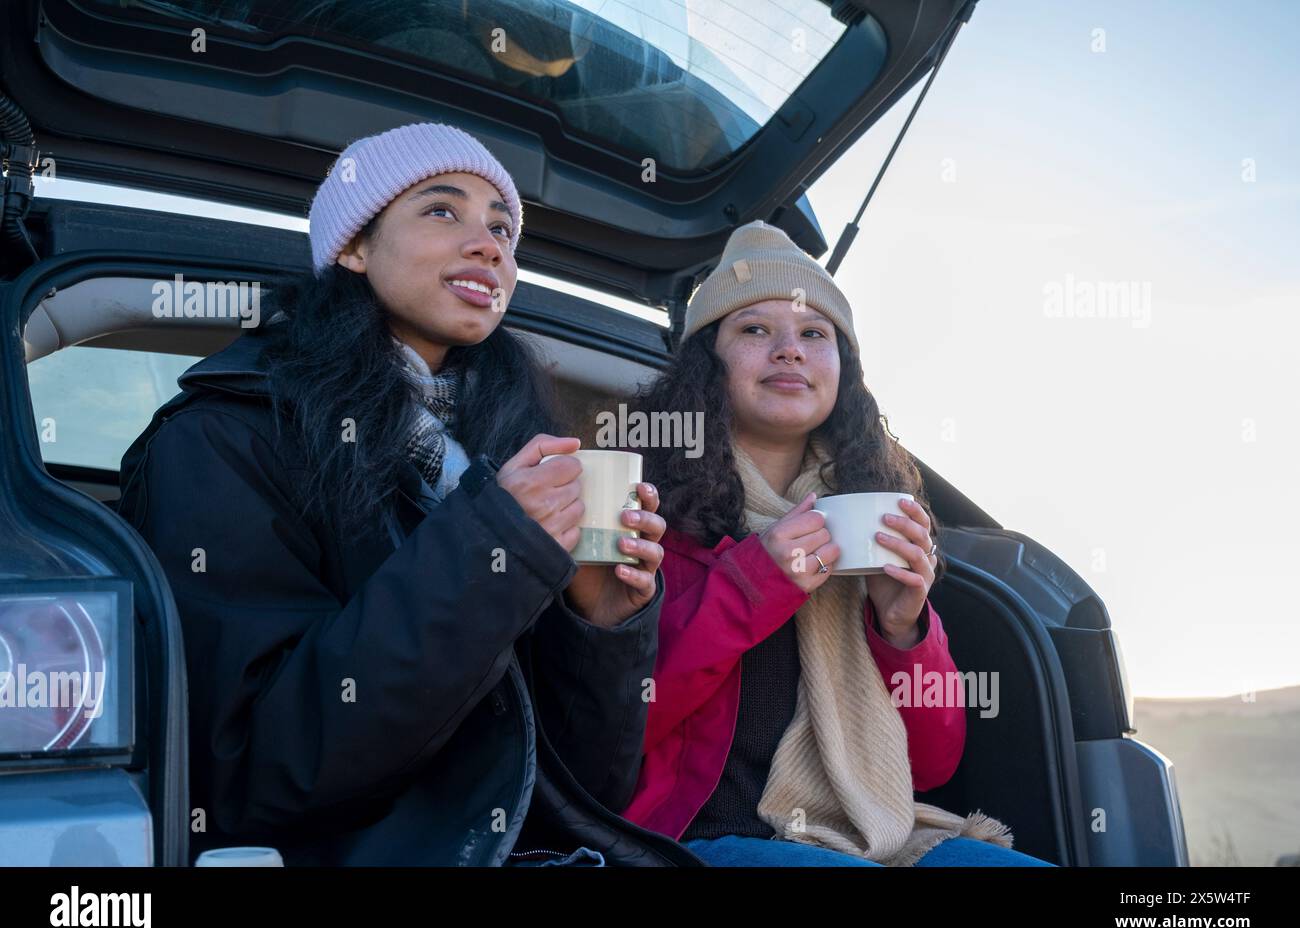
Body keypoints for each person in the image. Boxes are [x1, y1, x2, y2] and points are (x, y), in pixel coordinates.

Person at [117, 122, 700, 867]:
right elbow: (254, 772)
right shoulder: (224, 438)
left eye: (502, 227)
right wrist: (492, 549)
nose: (489, 244)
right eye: (441, 210)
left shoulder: (501, 451)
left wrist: (603, 623)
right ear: (354, 248)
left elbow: (584, 790)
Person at [620, 221, 1055, 866]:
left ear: (842, 371)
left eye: (814, 334)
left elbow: (934, 766)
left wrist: (904, 628)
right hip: (693, 840)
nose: (789, 350)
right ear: (705, 363)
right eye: (755, 329)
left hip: (870, 836)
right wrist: (757, 581)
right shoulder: (644, 512)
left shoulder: (870, 509)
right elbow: (617, 725)